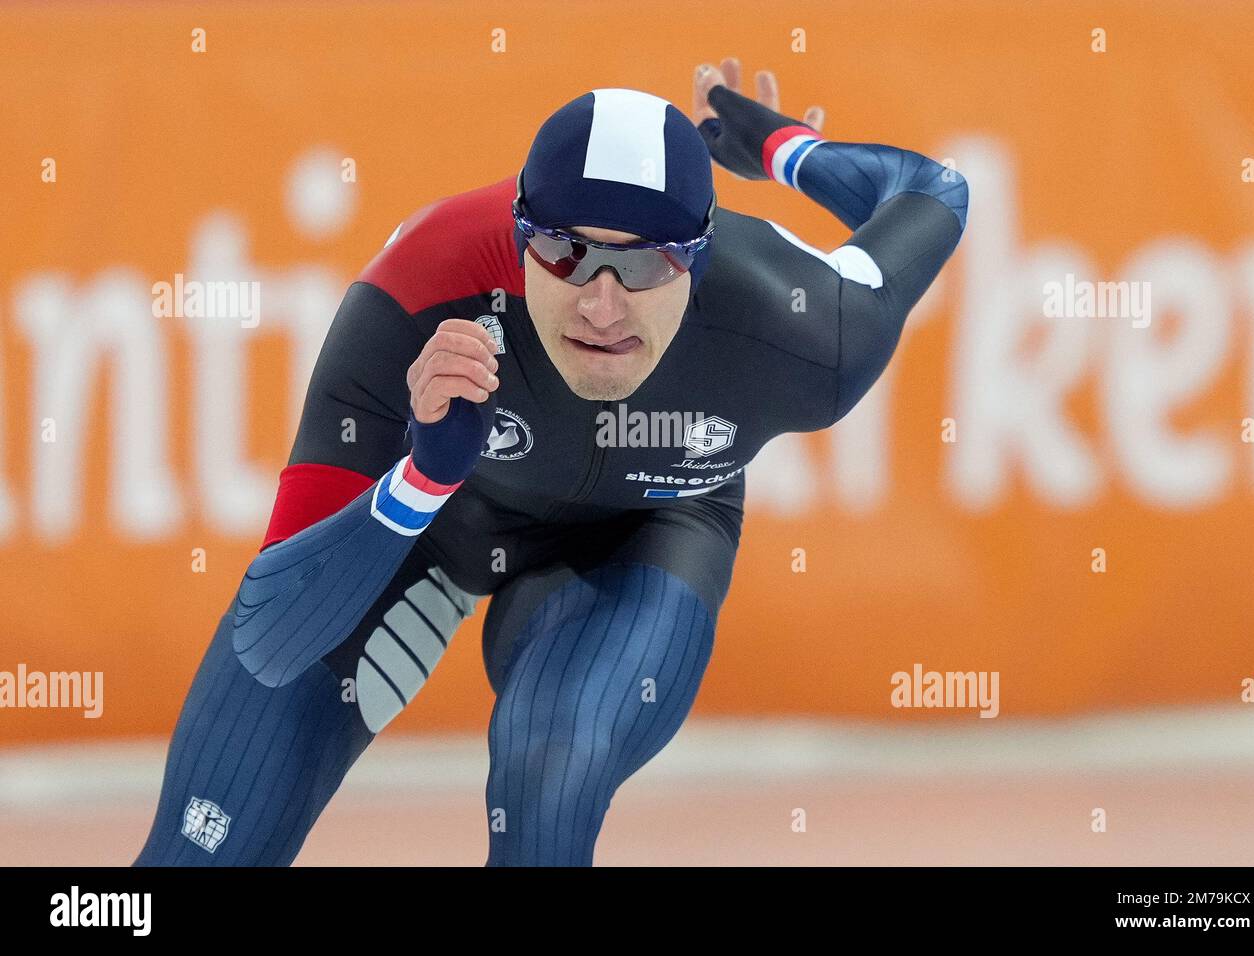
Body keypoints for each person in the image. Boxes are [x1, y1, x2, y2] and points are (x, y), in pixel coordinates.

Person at [134, 59, 968, 866]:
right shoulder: (421, 294)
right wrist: (421, 478)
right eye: (564, 253)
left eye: (644, 261)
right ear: (519, 237)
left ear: (701, 257)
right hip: (423, 518)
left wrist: (782, 150)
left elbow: (935, 192)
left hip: (643, 531)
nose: (601, 303)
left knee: (549, 768)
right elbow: (274, 645)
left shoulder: (805, 327)